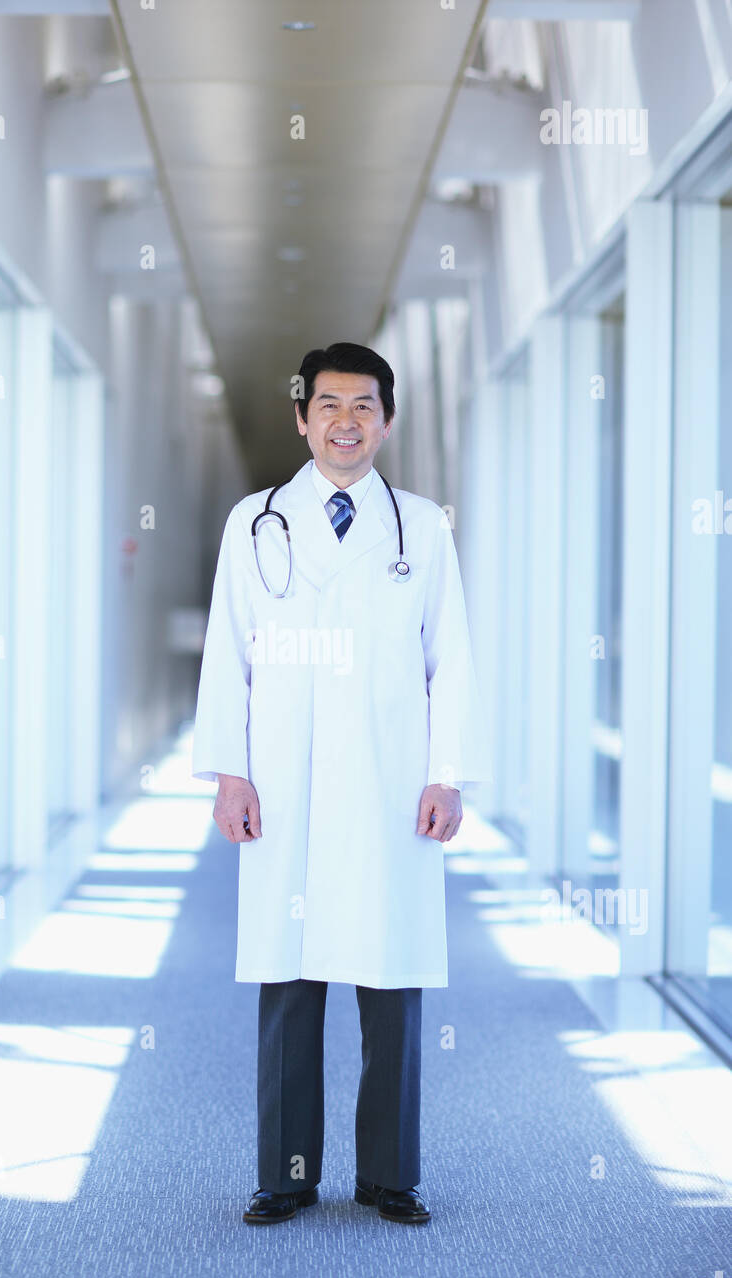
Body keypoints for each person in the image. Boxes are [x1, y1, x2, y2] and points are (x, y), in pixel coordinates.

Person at [191, 341, 491, 1225]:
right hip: (283, 789)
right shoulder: (255, 522)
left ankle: (389, 1176)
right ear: (301, 417)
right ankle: (286, 1176)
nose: (346, 422)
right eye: (329, 405)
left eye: (364, 406)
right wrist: (230, 774)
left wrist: (448, 775)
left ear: (387, 421)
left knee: (391, 978)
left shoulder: (423, 529)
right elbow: (226, 658)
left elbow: (453, 660)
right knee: (289, 985)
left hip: (390, 786)